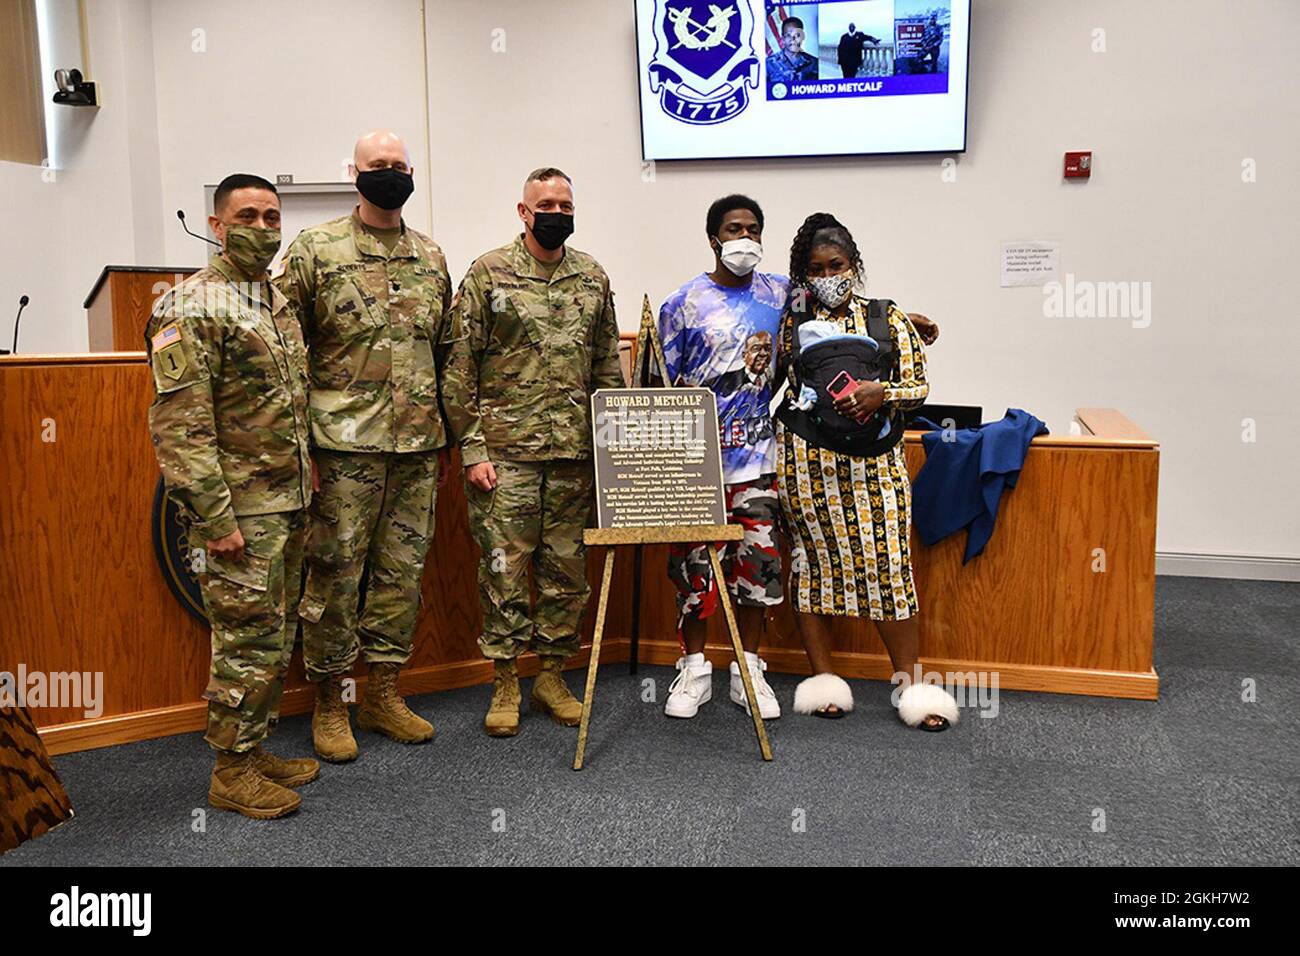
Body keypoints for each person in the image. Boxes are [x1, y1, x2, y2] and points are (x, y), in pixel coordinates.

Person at [277, 130, 454, 762]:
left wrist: (450, 440)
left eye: (398, 166)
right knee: (334, 575)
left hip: (415, 449)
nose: (389, 174)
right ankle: (329, 702)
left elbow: (448, 354)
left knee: (401, 576)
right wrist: (303, 452)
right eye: (377, 166)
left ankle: (382, 694)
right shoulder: (315, 250)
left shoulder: (431, 257)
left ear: (413, 173)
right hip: (341, 448)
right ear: (353, 173)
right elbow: (284, 352)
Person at [146, 173, 318, 819]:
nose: (264, 228)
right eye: (249, 215)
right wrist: (215, 517)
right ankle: (229, 772)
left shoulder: (271, 300)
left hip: (287, 501)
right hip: (240, 509)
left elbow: (287, 403)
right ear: (218, 225)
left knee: (273, 637)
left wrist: (309, 476)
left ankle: (255, 749)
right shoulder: (189, 304)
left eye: (273, 216)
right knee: (245, 640)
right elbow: (180, 426)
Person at [443, 167, 624, 738]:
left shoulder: (592, 277)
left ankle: (551, 675)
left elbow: (605, 368)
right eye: (545, 204)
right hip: (506, 456)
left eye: (565, 205)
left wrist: (611, 450)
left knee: (566, 573)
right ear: (523, 212)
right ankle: (504, 680)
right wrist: (472, 450)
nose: (556, 213)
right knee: (504, 570)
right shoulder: (488, 273)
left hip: (573, 455)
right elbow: (458, 367)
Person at [775, 213, 959, 730]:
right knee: (811, 568)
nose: (827, 275)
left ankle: (911, 687)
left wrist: (883, 393)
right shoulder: (785, 322)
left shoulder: (886, 318)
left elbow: (919, 387)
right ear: (804, 274)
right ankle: (824, 681)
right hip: (808, 467)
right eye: (816, 268)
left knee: (891, 571)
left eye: (836, 265)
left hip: (876, 469)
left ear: (854, 266)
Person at [656, 195, 786, 721]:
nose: (745, 238)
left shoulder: (779, 294)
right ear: (714, 237)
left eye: (753, 229)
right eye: (735, 229)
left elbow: (836, 317)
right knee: (694, 573)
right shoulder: (682, 304)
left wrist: (902, 319)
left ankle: (748, 669)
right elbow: (659, 387)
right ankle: (693, 669)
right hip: (696, 468)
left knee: (759, 570)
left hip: (757, 463)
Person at [766, 16, 818, 86]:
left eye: (797, 35)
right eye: (788, 35)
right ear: (783, 39)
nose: (792, 39)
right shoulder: (768, 64)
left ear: (802, 37)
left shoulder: (814, 63)